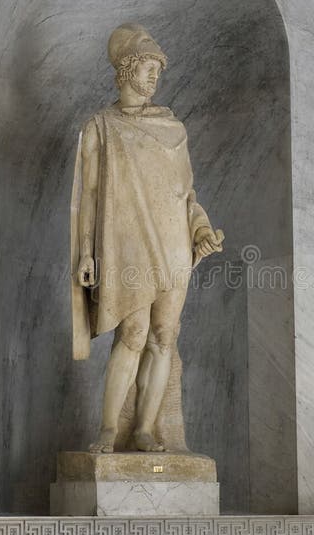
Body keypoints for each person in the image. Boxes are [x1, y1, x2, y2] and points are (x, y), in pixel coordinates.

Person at [72, 24, 223, 453]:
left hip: (174, 243)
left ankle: (143, 427)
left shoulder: (172, 128)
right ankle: (107, 429)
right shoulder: (101, 126)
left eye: (159, 68)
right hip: (129, 244)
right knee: (133, 333)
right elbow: (88, 197)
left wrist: (201, 230)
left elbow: (186, 195)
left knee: (163, 337)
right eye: (148, 67)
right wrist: (86, 253)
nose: (155, 76)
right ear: (126, 69)